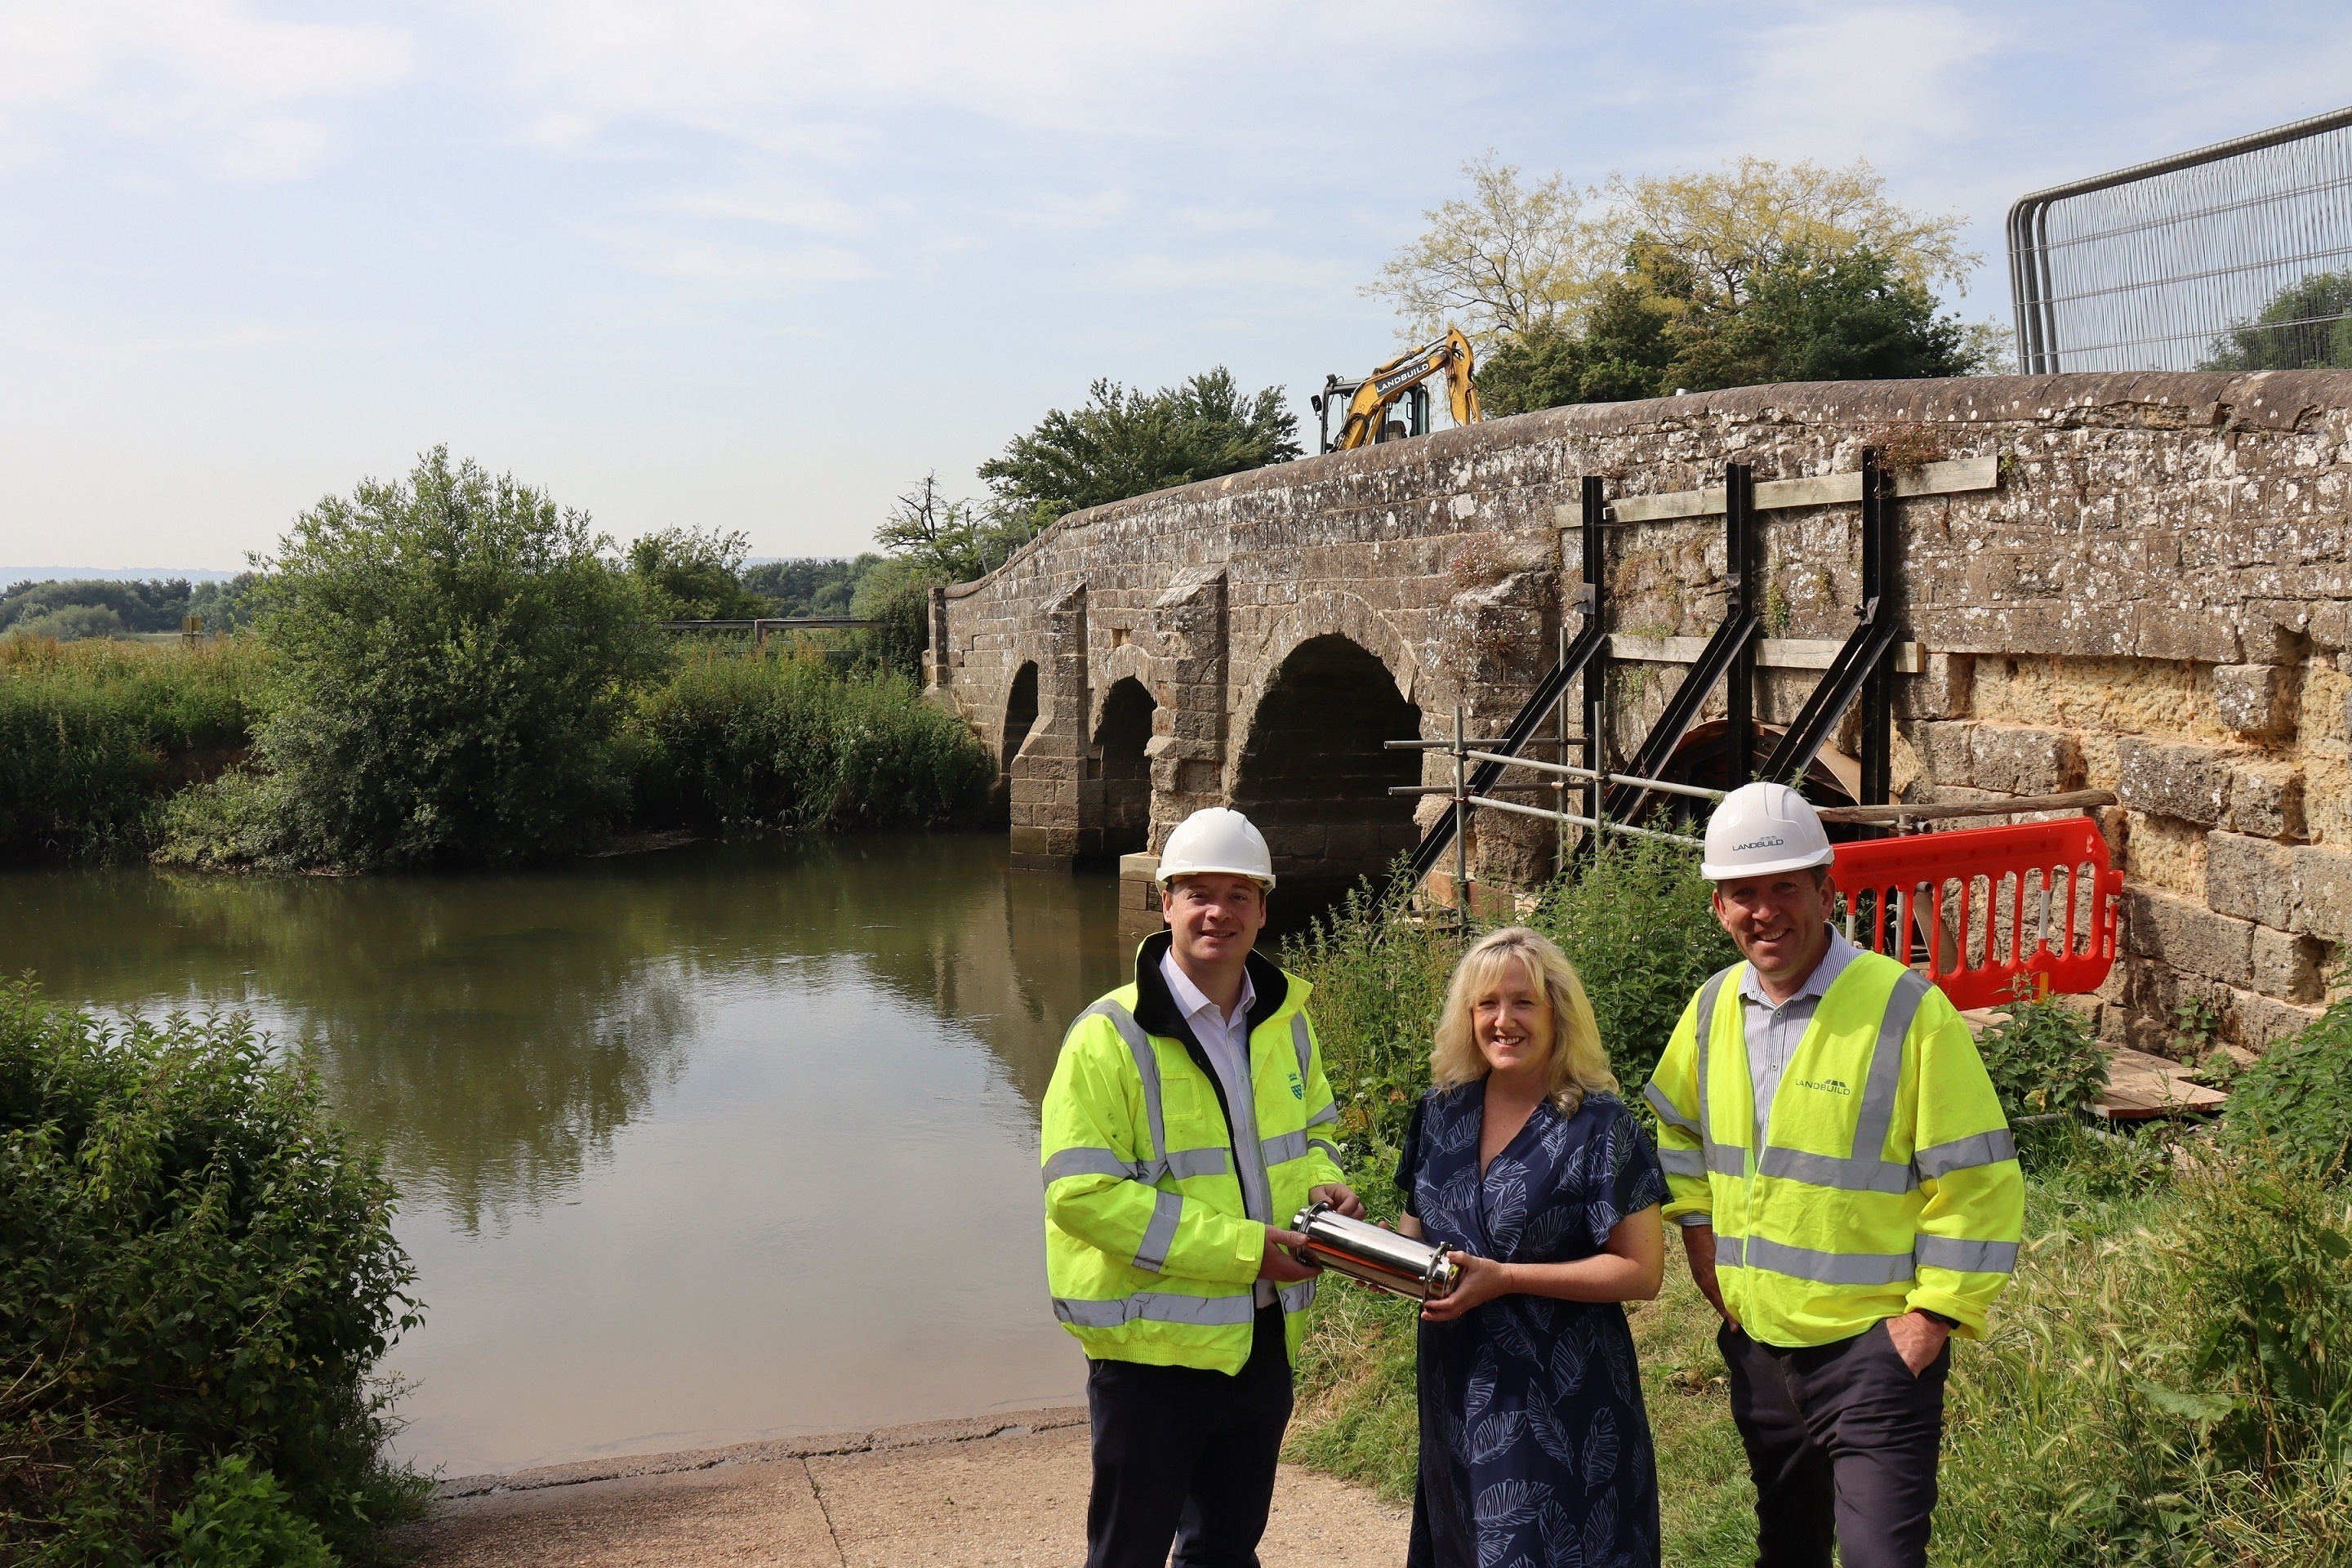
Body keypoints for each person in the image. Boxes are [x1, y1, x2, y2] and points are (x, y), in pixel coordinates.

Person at [1644, 782, 2025, 1568]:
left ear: (1826, 890)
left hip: (1874, 1354)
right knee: (1787, 1549)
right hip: (1760, 1345)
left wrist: (1931, 1322)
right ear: (1719, 908)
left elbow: (1978, 1179)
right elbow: (1676, 1128)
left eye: (1785, 887)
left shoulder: (1905, 1009)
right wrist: (1701, 1246)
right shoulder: (1712, 1007)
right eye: (1743, 894)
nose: (1765, 912)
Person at [1040, 806, 1362, 1568]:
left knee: (1225, 1548)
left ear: (1262, 907)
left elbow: (1317, 1135)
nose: (1219, 911)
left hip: (1260, 1342)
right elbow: (1081, 1195)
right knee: (1128, 1553)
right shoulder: (1107, 1036)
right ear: (1166, 903)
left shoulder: (1285, 1019)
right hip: (1152, 1354)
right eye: (1199, 894)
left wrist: (1330, 1187)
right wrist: (1248, 1253)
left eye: (1238, 894)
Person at [1394, 925, 1667, 1568]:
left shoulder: (1601, 1125)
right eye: (1487, 1004)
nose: (1503, 1020)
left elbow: (1642, 1271)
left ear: (1557, 1014)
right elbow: (1412, 1241)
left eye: (1523, 1003)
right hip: (1458, 1386)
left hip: (1563, 1397)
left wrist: (1509, 1278)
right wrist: (1341, 1236)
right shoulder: (1440, 1114)